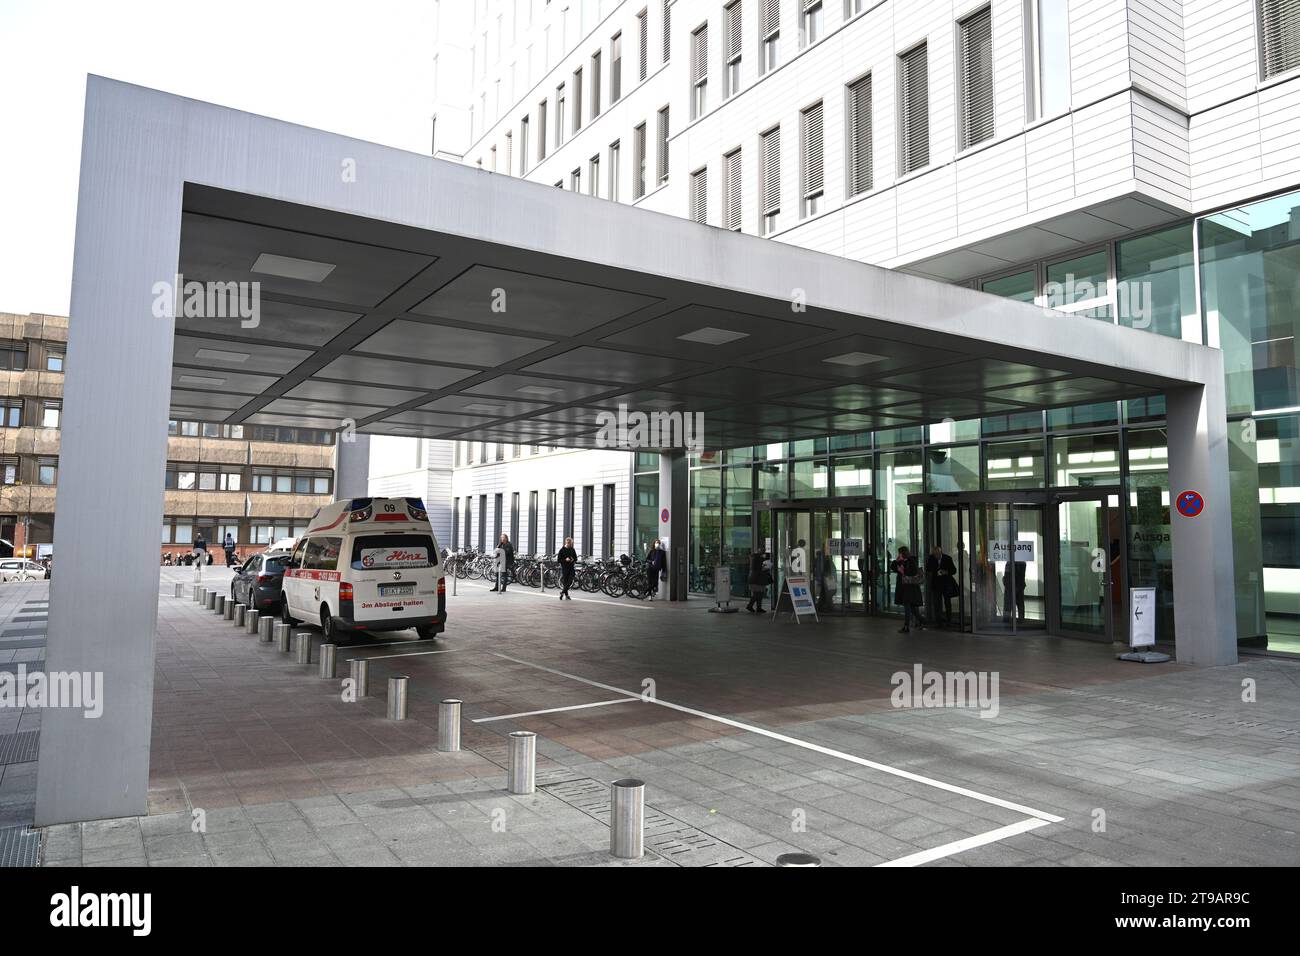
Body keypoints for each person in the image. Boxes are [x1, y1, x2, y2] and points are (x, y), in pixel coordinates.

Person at [892, 545, 925, 633]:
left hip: (910, 587)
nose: (900, 555)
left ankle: (906, 626)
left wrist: (903, 571)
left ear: (904, 553)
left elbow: (913, 572)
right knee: (912, 608)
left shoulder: (911, 560)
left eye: (901, 553)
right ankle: (922, 621)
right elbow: (893, 567)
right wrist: (897, 561)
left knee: (907, 606)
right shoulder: (901, 561)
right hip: (904, 587)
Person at [925, 544, 959, 626]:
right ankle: (938, 620)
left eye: (938, 554)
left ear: (941, 553)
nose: (936, 556)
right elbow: (927, 569)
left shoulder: (947, 558)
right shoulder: (931, 558)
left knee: (947, 602)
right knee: (937, 602)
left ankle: (949, 619)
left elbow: (954, 570)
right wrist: (933, 572)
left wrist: (946, 572)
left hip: (946, 584)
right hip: (936, 584)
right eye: (935, 554)